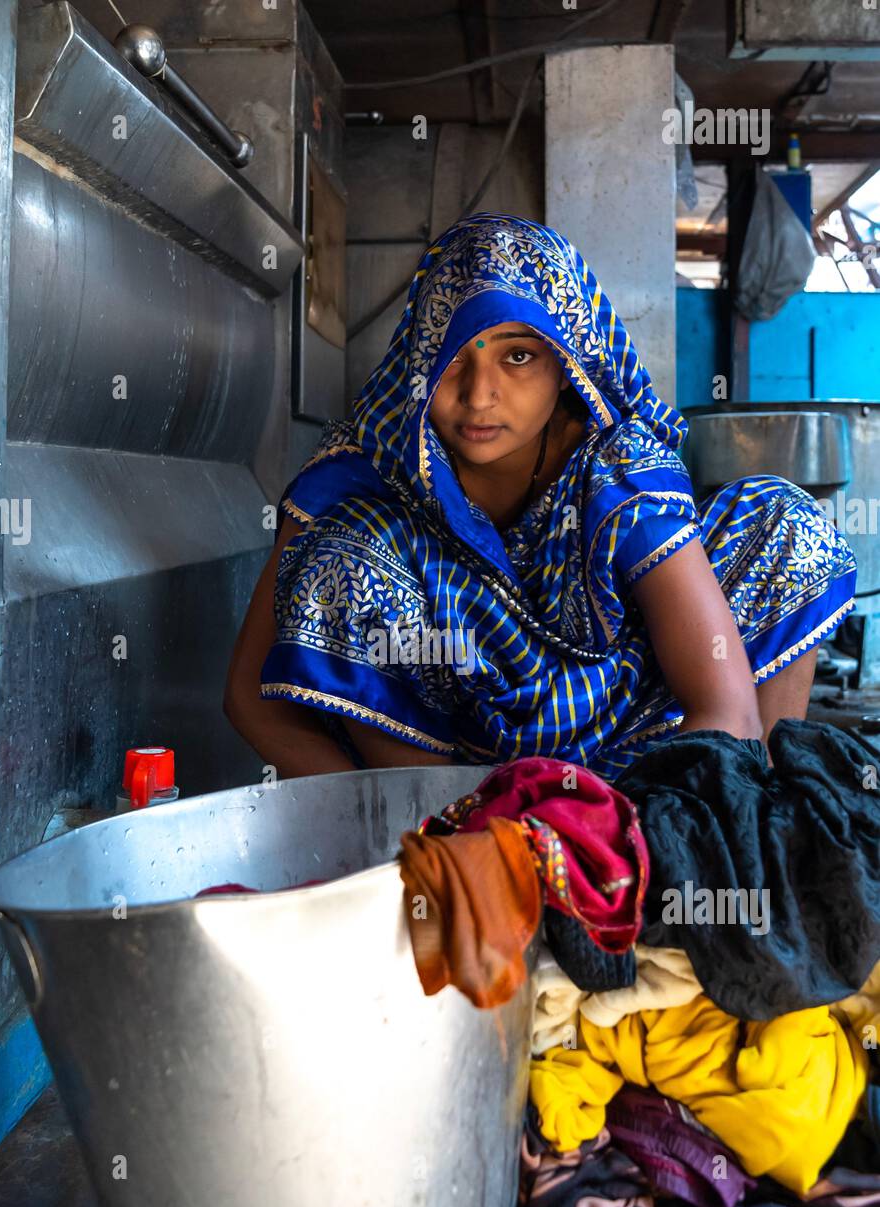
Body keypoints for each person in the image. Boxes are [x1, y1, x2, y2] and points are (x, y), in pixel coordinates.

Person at [224, 213, 856, 781]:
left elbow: (725, 709)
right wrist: (405, 831)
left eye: (518, 356)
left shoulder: (614, 466)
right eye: (453, 358)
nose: (478, 396)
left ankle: (759, 815)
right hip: (455, 780)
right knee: (350, 544)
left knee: (784, 520)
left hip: (634, 762)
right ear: (420, 359)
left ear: (568, 366)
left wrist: (614, 839)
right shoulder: (357, 475)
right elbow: (251, 699)